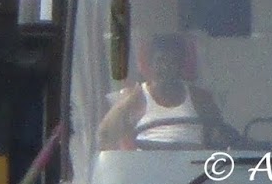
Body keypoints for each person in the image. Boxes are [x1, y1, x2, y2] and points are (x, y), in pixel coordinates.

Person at [97, 33, 233, 149]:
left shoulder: (200, 97)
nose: (166, 67)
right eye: (160, 61)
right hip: (146, 174)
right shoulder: (135, 97)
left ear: (181, 66)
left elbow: (220, 136)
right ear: (150, 64)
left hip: (195, 175)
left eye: (173, 62)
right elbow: (105, 135)